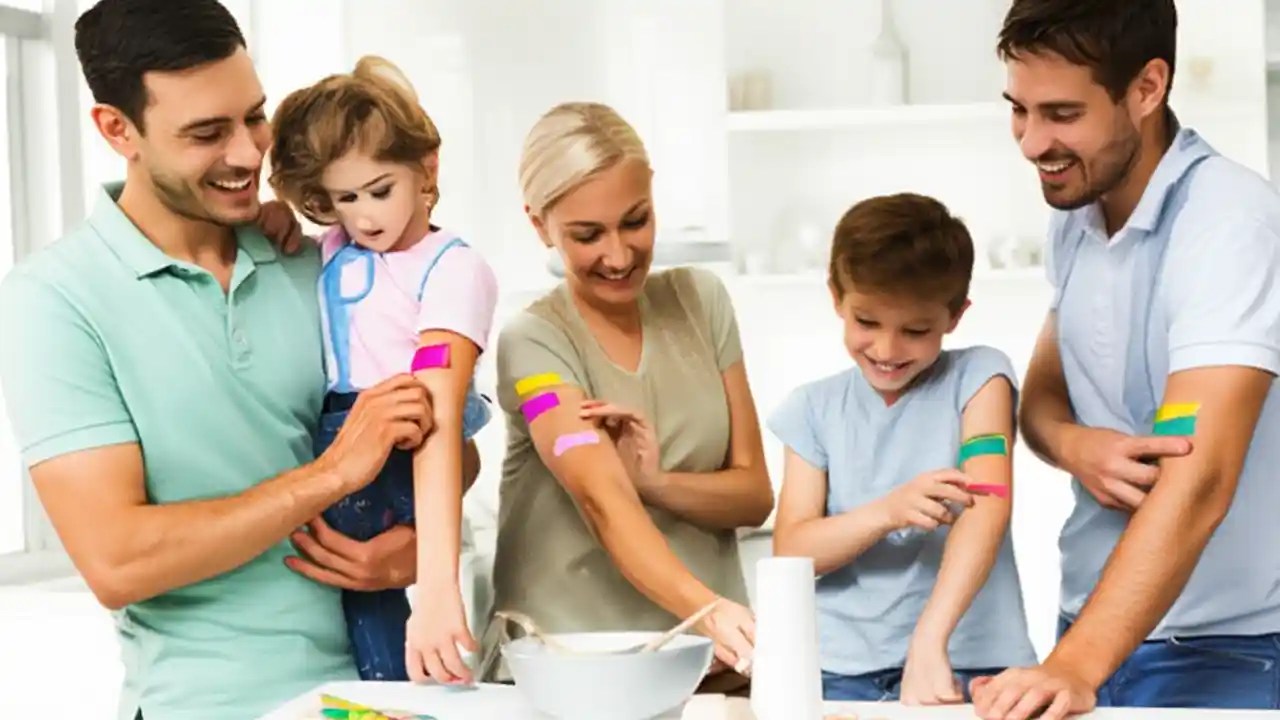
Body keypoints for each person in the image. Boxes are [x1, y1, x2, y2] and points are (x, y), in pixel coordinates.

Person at [0, 2, 455, 718]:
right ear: (118, 130)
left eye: (254, 117)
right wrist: (331, 474)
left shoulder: (318, 260)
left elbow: (430, 433)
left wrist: (416, 543)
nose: (248, 154)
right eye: (207, 133)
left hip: (388, 691)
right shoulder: (54, 299)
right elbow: (118, 560)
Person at [971, 1, 1280, 717]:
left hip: (1220, 651)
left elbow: (1200, 477)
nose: (1031, 142)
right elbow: (1044, 398)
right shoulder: (1080, 215)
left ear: (1147, 88)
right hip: (1091, 632)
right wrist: (1077, 446)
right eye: (1018, 110)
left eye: (1061, 114)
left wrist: (1073, 666)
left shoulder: (1227, 223)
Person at [480, 101, 773, 692]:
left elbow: (753, 496)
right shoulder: (534, 342)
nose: (618, 256)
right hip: (568, 677)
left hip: (710, 667)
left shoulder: (701, 301)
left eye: (635, 221)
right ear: (539, 225)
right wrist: (706, 608)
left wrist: (655, 483)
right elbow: (600, 498)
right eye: (587, 235)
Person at [267, 55, 497, 686]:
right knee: (357, 593)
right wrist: (273, 216)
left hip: (410, 433)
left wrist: (439, 586)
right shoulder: (337, 246)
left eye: (380, 190)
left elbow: (439, 414)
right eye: (346, 198)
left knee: (372, 603)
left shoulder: (452, 268)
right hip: (343, 432)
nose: (366, 216)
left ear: (427, 170)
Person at [768, 193, 1037, 704]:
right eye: (867, 323)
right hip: (840, 671)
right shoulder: (811, 409)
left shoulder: (980, 379)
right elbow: (793, 550)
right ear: (836, 298)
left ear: (955, 316)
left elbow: (987, 503)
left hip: (968, 660)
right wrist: (887, 512)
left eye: (915, 331)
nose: (887, 350)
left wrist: (929, 641)